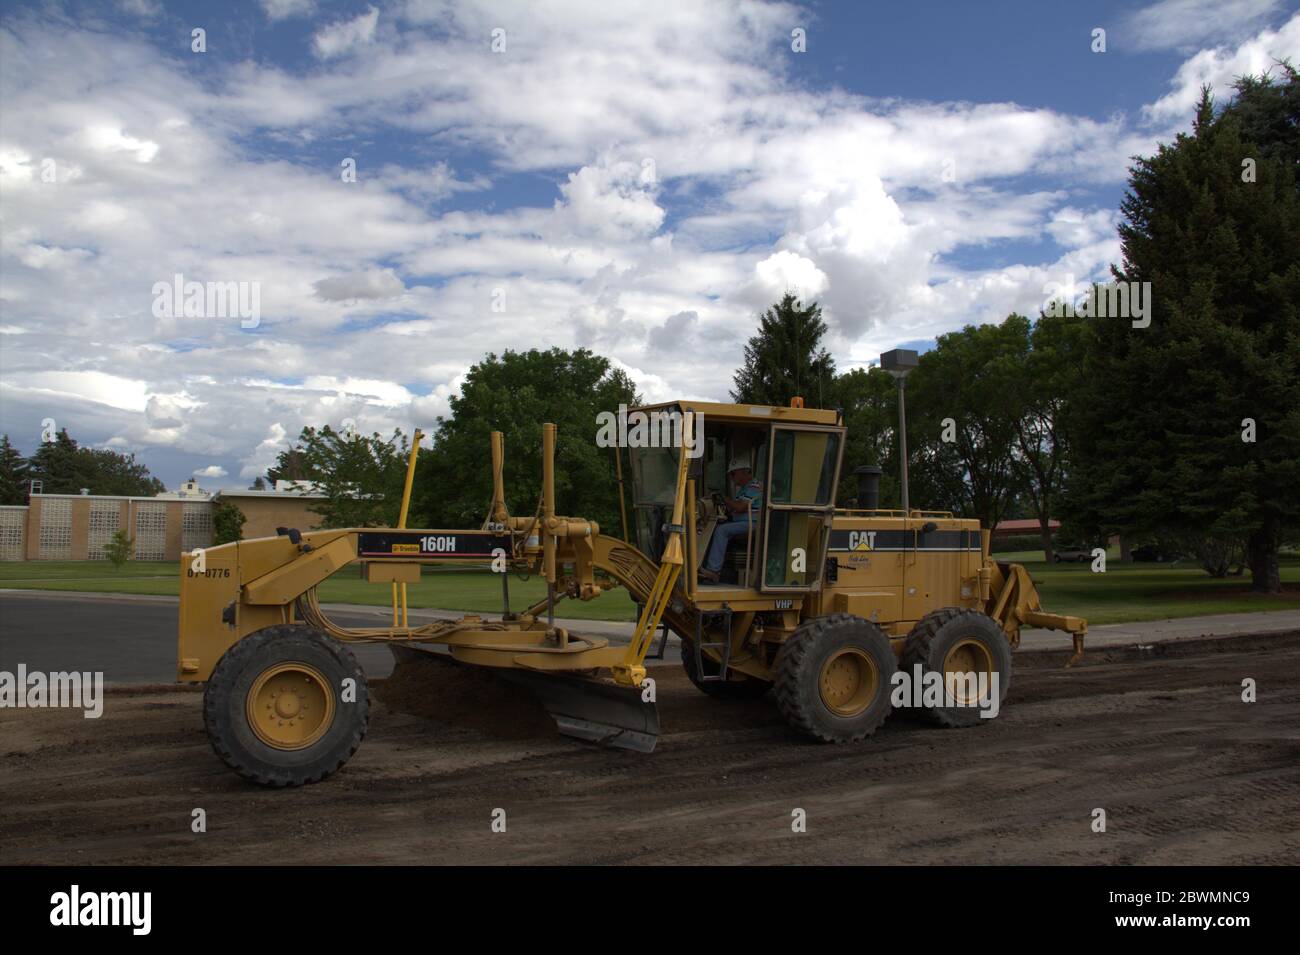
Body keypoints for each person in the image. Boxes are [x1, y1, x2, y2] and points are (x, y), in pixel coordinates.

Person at [699, 456, 763, 583]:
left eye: (733, 473)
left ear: (745, 472)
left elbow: (739, 507)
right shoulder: (743, 490)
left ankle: (713, 571)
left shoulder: (755, 486)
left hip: (754, 523)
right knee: (713, 528)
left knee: (722, 531)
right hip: (742, 521)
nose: (731, 477)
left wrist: (723, 497)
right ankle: (703, 564)